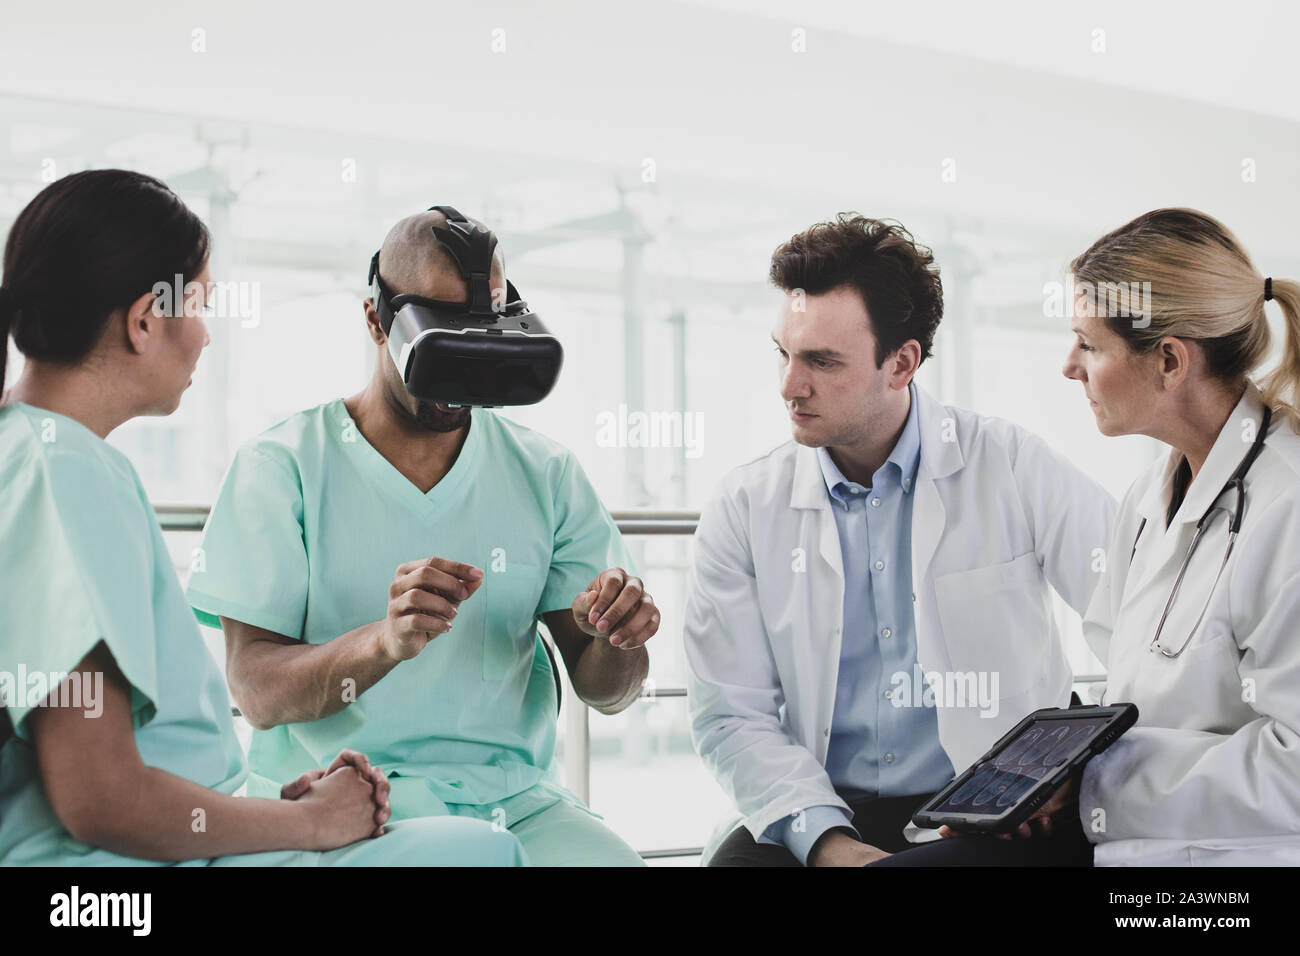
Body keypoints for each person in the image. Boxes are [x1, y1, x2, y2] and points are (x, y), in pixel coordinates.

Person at [0, 169, 526, 866]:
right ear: (145, 320)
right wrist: (310, 827)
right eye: (201, 308)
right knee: (480, 854)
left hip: (169, 838)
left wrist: (269, 811)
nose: (206, 339)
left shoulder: (31, 451)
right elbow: (102, 800)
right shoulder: (65, 475)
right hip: (110, 872)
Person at [185, 207, 657, 867]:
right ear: (377, 320)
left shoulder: (545, 473)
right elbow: (257, 694)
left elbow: (609, 692)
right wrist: (381, 643)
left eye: (482, 332)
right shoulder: (282, 466)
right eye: (442, 337)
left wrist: (619, 638)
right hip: (346, 801)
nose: (465, 371)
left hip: (517, 801)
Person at [685, 214, 1117, 867]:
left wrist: (1067, 769)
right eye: (784, 352)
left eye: (822, 362)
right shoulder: (744, 508)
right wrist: (831, 845)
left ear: (902, 363)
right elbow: (731, 715)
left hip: (990, 813)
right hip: (824, 806)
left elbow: (1139, 615)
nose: (789, 386)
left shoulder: (1011, 465)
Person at [878, 208, 1300, 867]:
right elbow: (1134, 702)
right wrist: (1040, 789)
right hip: (1124, 833)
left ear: (1168, 360)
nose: (1069, 367)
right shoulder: (1147, 500)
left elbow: (1294, 771)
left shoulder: (1289, 507)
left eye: (1089, 345)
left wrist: (1092, 787)